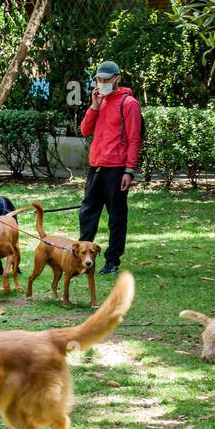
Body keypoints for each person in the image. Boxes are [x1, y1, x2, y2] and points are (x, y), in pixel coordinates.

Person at [78, 60, 142, 275]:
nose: (102, 83)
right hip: (96, 166)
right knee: (87, 213)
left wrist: (129, 170)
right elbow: (85, 130)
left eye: (106, 79)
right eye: (99, 79)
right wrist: (94, 107)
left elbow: (135, 139)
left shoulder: (129, 103)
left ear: (117, 79)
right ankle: (82, 255)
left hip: (117, 169)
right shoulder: (100, 101)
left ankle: (112, 261)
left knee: (116, 217)